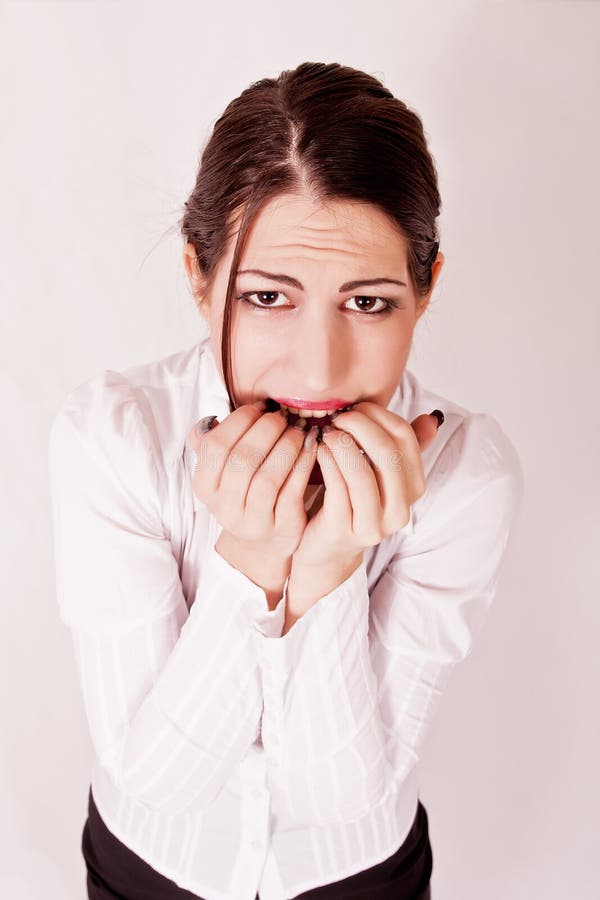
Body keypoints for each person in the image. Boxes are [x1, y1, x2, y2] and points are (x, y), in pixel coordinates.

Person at [47, 61, 524, 900]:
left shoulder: (464, 474)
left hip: (359, 875)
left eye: (369, 304)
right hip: (149, 870)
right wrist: (249, 560)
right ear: (201, 278)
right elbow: (156, 782)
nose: (319, 365)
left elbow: (336, 802)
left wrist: (328, 567)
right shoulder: (114, 438)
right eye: (268, 296)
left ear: (425, 289)